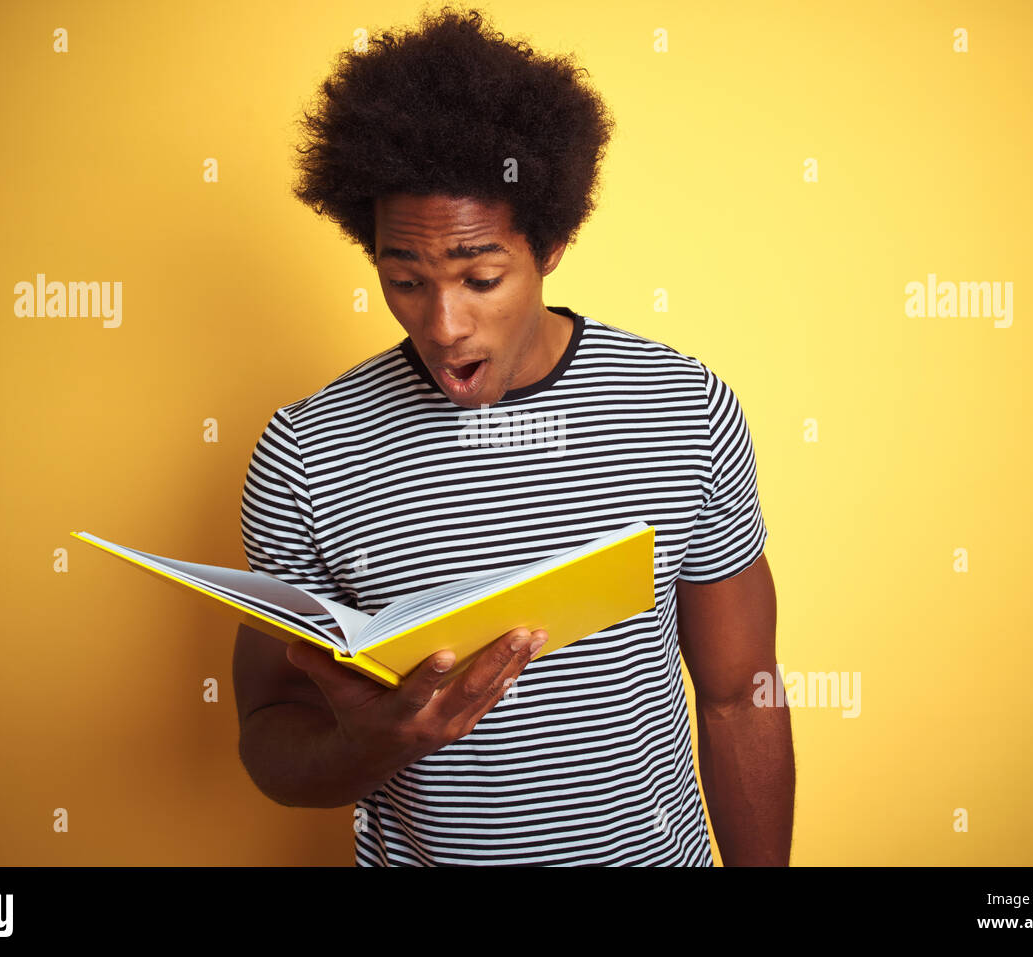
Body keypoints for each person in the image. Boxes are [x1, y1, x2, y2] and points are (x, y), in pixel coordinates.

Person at [231, 6, 793, 866]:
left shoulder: (682, 409)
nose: (445, 322)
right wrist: (379, 741)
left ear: (554, 242)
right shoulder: (307, 452)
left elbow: (738, 697)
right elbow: (268, 733)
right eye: (405, 279)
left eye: (480, 275)